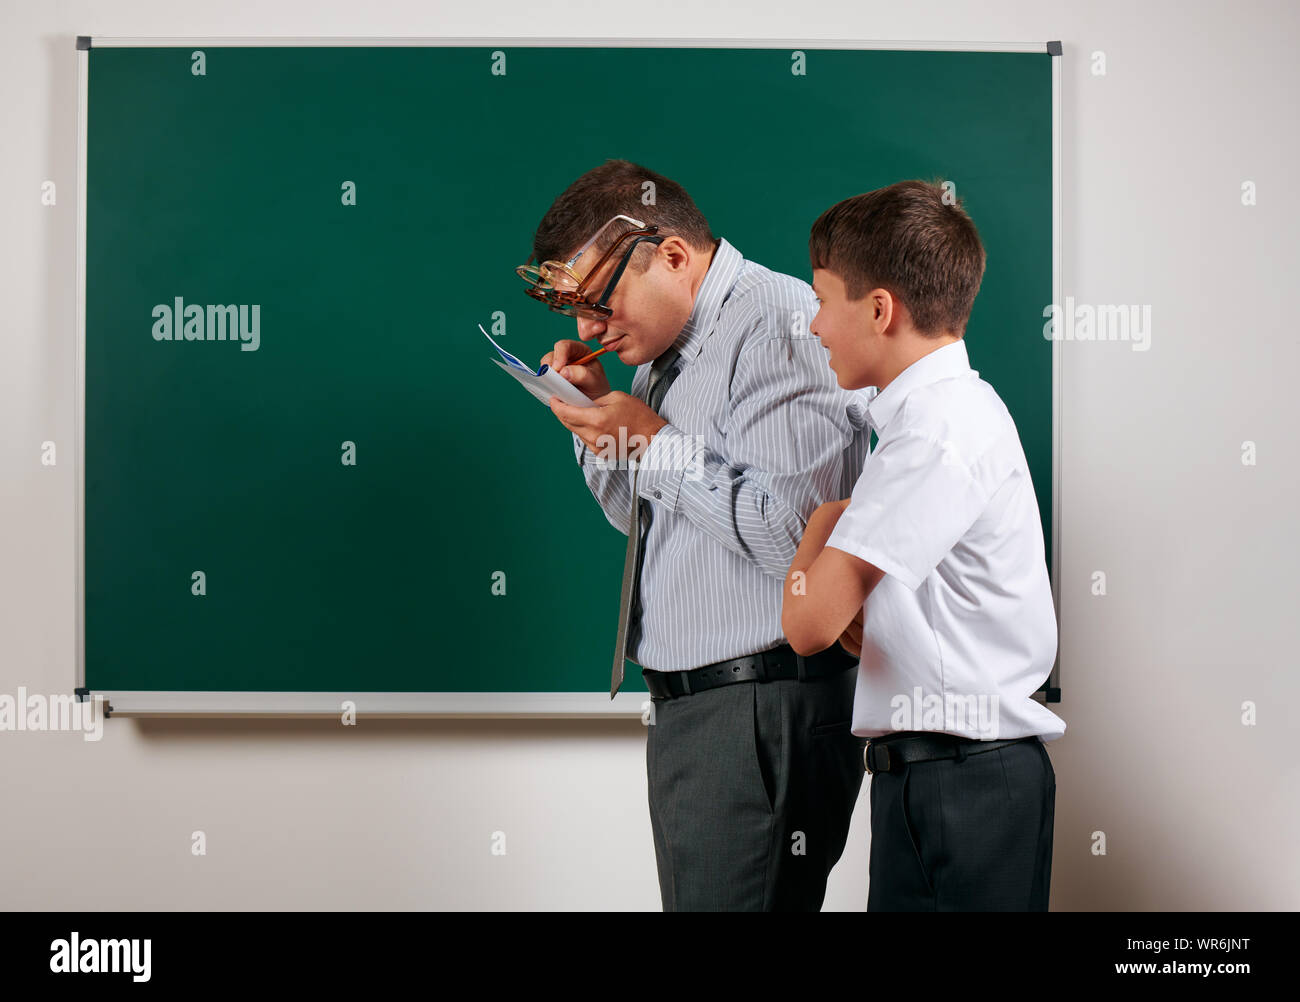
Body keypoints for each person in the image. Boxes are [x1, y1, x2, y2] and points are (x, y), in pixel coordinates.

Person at [519, 159, 872, 910]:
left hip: (760, 708)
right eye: (572, 312)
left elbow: (795, 549)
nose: (586, 332)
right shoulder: (664, 348)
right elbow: (643, 521)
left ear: (673, 257)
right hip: (700, 712)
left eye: (597, 303)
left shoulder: (778, 325)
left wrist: (652, 439)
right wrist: (598, 423)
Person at [781, 179, 1065, 911]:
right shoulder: (924, 422)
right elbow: (862, 629)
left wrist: (823, 524)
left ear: (879, 310)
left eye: (821, 300)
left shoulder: (935, 431)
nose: (812, 326)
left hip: (967, 782)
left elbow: (809, 626)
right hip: (937, 773)